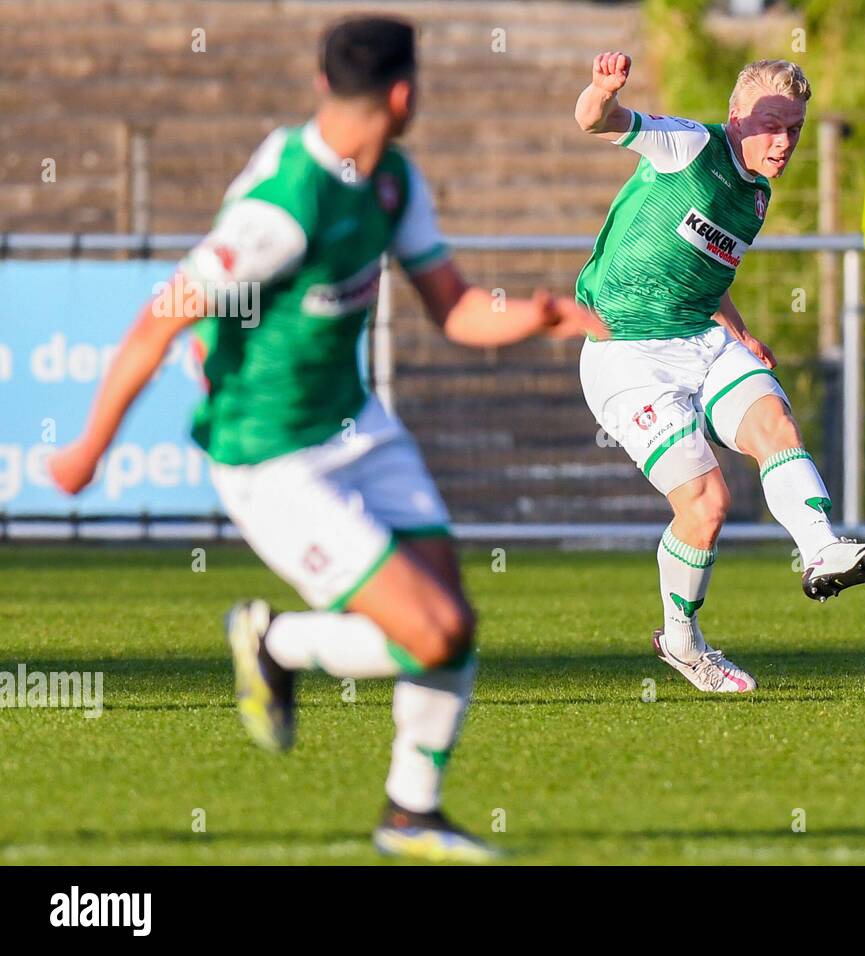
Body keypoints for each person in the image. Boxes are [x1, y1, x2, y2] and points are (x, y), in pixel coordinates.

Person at [48, 15, 604, 863]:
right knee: (436, 631)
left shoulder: (393, 184)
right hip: (269, 454)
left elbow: (451, 306)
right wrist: (89, 448)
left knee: (452, 612)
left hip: (359, 427)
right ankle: (275, 641)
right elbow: (161, 319)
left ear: (323, 85)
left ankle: (410, 813)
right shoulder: (287, 208)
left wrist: (541, 316)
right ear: (405, 94)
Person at [573, 52, 865, 693]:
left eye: (796, 130)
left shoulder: (756, 194)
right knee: (706, 507)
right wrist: (601, 90)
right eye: (772, 126)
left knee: (775, 424)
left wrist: (741, 330)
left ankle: (821, 552)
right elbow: (595, 122)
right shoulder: (690, 146)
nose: (783, 143)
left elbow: (704, 268)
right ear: (736, 119)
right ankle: (682, 643)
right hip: (627, 355)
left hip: (703, 335)